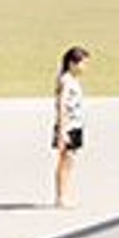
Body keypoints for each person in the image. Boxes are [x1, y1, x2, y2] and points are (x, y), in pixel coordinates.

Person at [52, 45, 90, 208]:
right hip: (67, 126)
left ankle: (65, 194)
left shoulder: (73, 80)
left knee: (70, 161)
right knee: (64, 162)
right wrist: (62, 130)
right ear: (72, 63)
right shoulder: (65, 80)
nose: (85, 68)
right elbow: (61, 105)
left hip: (75, 124)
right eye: (83, 63)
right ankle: (61, 197)